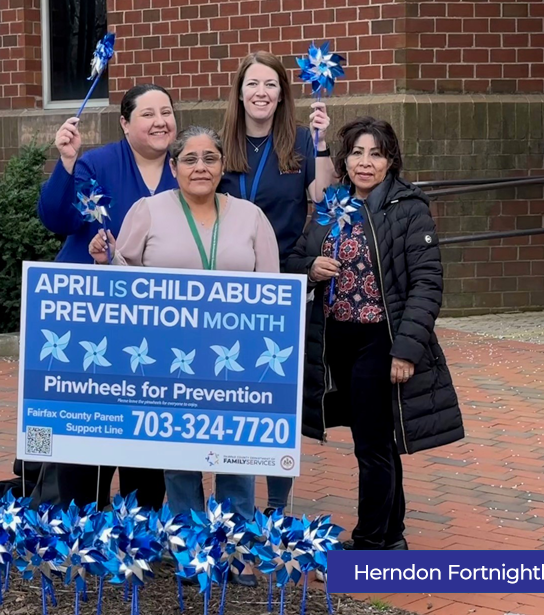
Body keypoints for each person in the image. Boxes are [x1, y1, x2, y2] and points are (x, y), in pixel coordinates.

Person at [284, 117, 464, 551]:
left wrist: (405, 351)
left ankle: (369, 541)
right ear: (344, 158)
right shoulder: (332, 202)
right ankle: (391, 535)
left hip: (379, 340)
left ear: (390, 160)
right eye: (358, 153)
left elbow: (427, 284)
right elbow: (293, 259)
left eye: (376, 154)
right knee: (376, 439)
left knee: (372, 444)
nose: (366, 162)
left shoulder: (408, 207)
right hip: (336, 340)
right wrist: (311, 270)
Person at [109, 126, 278, 586]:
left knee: (237, 461)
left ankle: (237, 553)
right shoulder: (147, 211)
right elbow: (120, 280)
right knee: (180, 463)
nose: (200, 167)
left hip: (235, 362)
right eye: (189, 159)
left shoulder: (250, 216)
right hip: (171, 363)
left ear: (223, 166)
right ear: (174, 166)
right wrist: (104, 258)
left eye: (209, 158)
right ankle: (191, 554)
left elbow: (273, 291)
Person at [32, 83, 178, 511]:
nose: (159, 122)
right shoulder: (96, 164)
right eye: (147, 114)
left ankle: (141, 525)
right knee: (87, 428)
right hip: (91, 319)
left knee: (145, 428)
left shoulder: (186, 168)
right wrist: (66, 161)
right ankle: (80, 524)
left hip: (156, 325)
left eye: (166, 112)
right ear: (125, 122)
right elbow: (57, 217)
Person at [216, 51, 335, 515]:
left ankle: (276, 505)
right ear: (240, 92)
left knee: (275, 394)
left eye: (270, 84)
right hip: (227, 281)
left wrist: (323, 142)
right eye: (252, 84)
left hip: (282, 281)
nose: (261, 92)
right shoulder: (220, 143)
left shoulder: (302, 142)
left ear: (283, 93)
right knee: (231, 391)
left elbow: (323, 196)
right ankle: (233, 500)